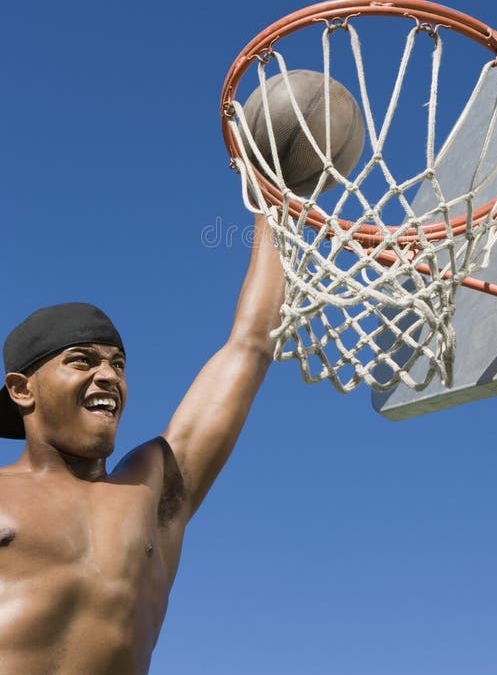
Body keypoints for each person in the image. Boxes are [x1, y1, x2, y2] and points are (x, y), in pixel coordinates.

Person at [0, 214, 284, 675]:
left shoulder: (151, 489)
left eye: (118, 364)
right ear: (22, 390)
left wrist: (274, 205)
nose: (109, 376)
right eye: (82, 361)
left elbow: (250, 344)